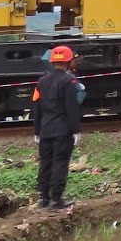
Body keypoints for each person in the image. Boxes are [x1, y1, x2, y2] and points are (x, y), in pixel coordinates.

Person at [32, 45, 83, 210]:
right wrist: (75, 130)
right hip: (63, 130)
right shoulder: (69, 81)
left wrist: (37, 131)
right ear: (68, 61)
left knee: (45, 163)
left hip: (45, 129)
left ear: (52, 60)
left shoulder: (41, 81)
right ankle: (56, 199)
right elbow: (72, 108)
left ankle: (44, 198)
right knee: (60, 163)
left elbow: (37, 108)